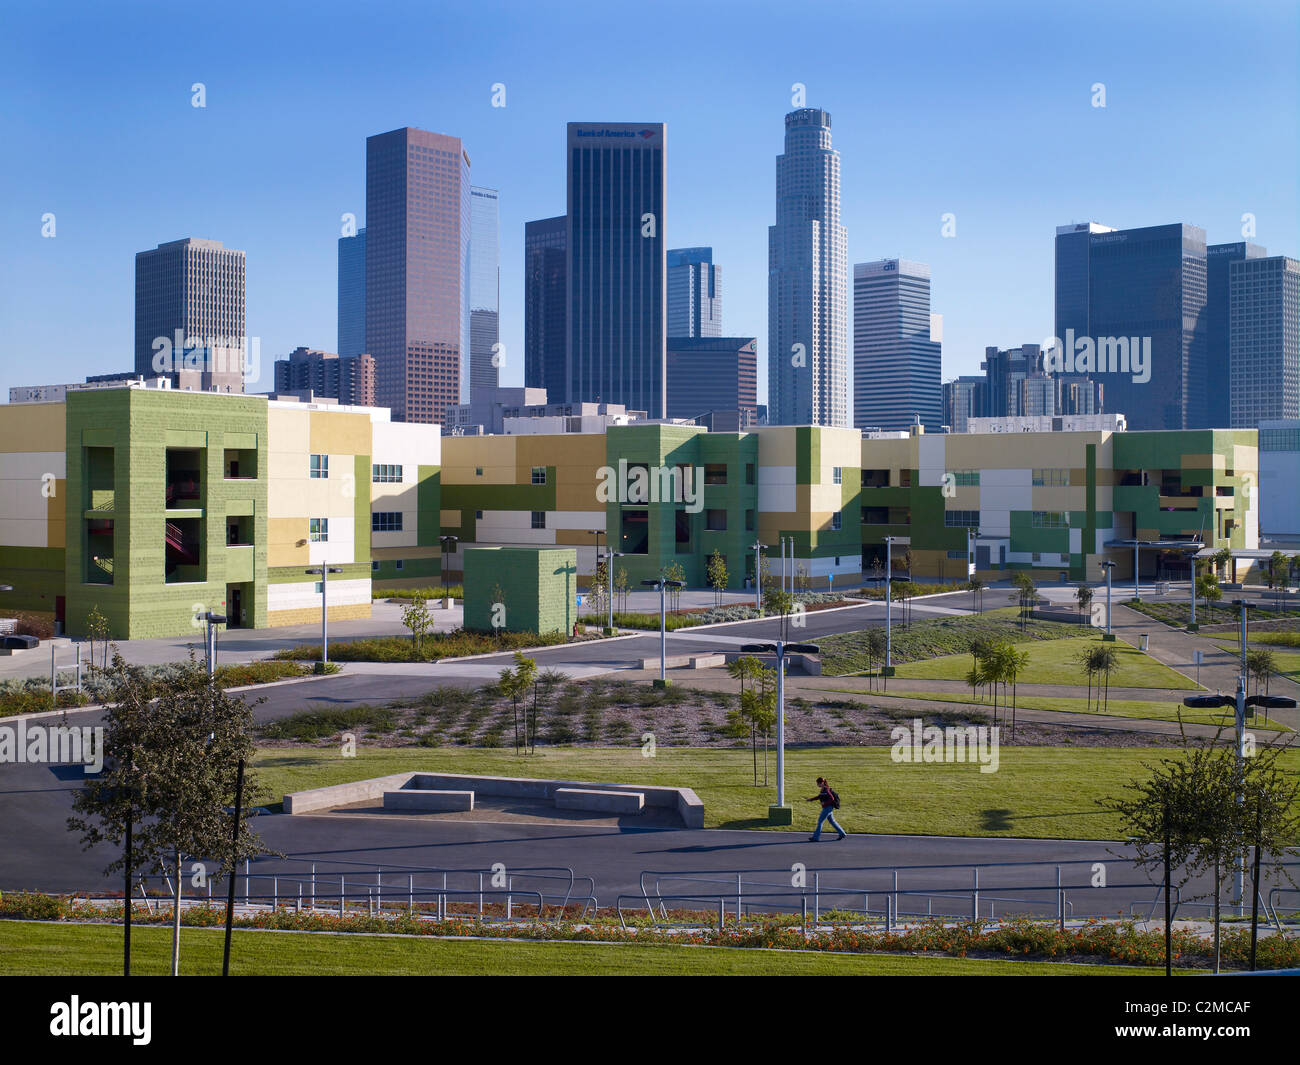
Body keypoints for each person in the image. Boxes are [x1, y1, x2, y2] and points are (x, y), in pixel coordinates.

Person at [806, 777, 846, 841]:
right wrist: (811, 799)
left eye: (818, 783)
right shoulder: (822, 790)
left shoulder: (826, 789)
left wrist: (825, 803)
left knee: (820, 821)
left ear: (822, 783)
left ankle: (815, 837)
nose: (817, 784)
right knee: (832, 821)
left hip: (827, 808)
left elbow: (832, 798)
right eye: (817, 783)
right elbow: (819, 797)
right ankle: (842, 833)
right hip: (828, 808)